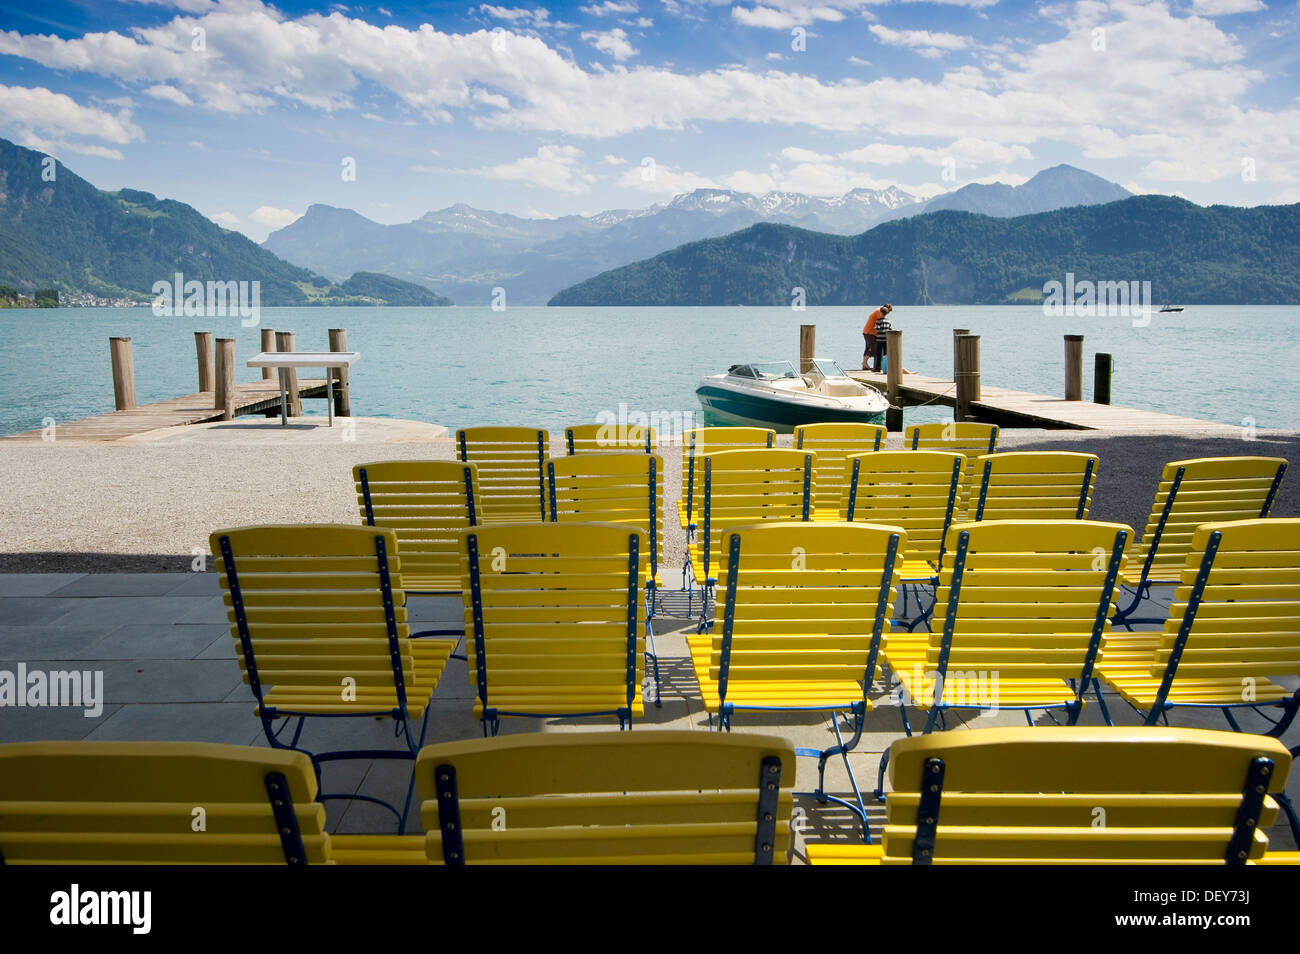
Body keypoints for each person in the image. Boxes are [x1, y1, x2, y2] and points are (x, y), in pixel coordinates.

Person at [862, 303, 893, 372]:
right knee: (873, 349)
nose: (888, 313)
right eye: (888, 311)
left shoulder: (878, 310)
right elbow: (880, 325)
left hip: (868, 331)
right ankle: (866, 363)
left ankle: (865, 365)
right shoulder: (879, 312)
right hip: (870, 332)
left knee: (869, 347)